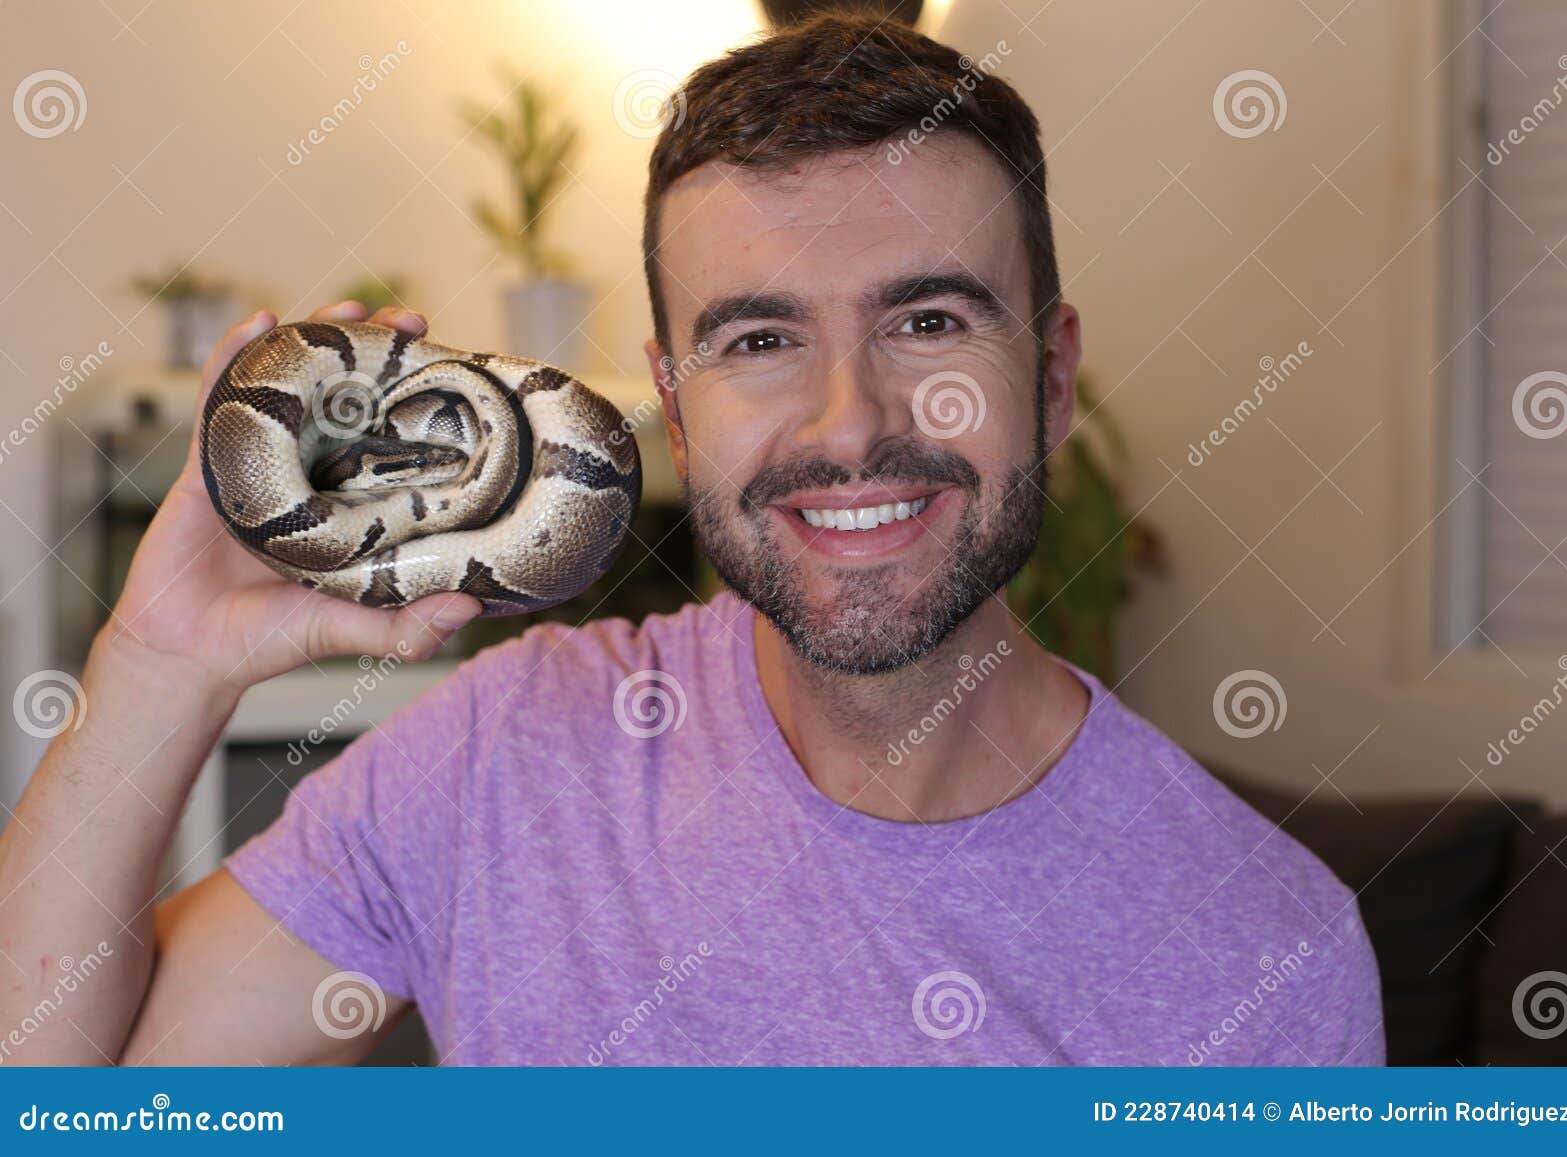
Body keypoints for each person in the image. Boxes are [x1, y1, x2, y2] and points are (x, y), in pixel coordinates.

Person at [0, 13, 1382, 1066]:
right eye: (761, 338)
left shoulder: (1270, 955)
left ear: (1055, 372)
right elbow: (61, 1098)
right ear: (674, 399)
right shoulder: (503, 759)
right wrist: (161, 661)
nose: (850, 423)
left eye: (929, 320)